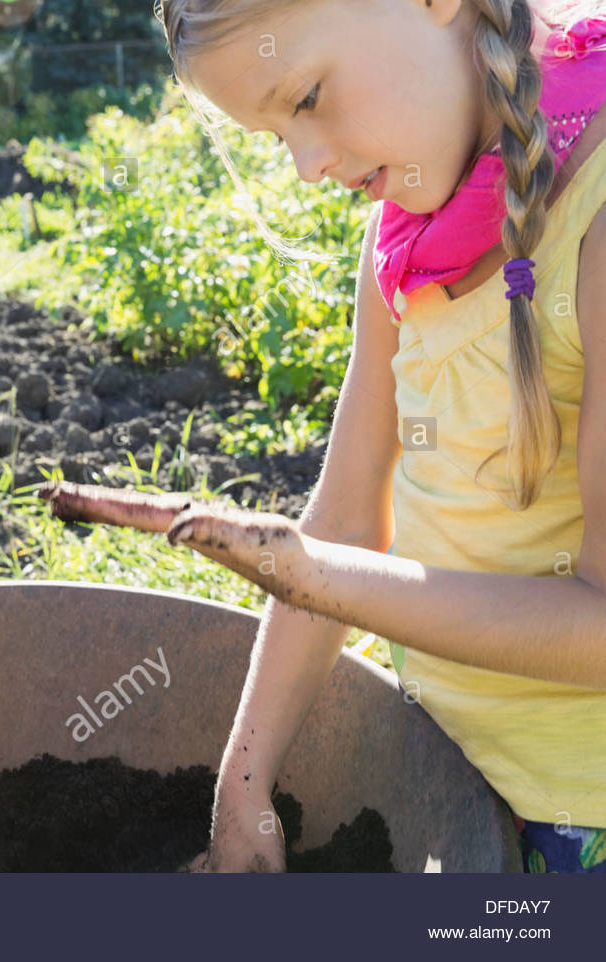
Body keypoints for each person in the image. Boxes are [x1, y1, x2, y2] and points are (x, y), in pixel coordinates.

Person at [151, 0, 606, 873]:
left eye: (309, 97)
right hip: (444, 780)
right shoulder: (404, 241)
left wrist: (328, 580)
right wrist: (243, 787)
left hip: (578, 818)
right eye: (272, 135)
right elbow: (348, 518)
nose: (307, 166)